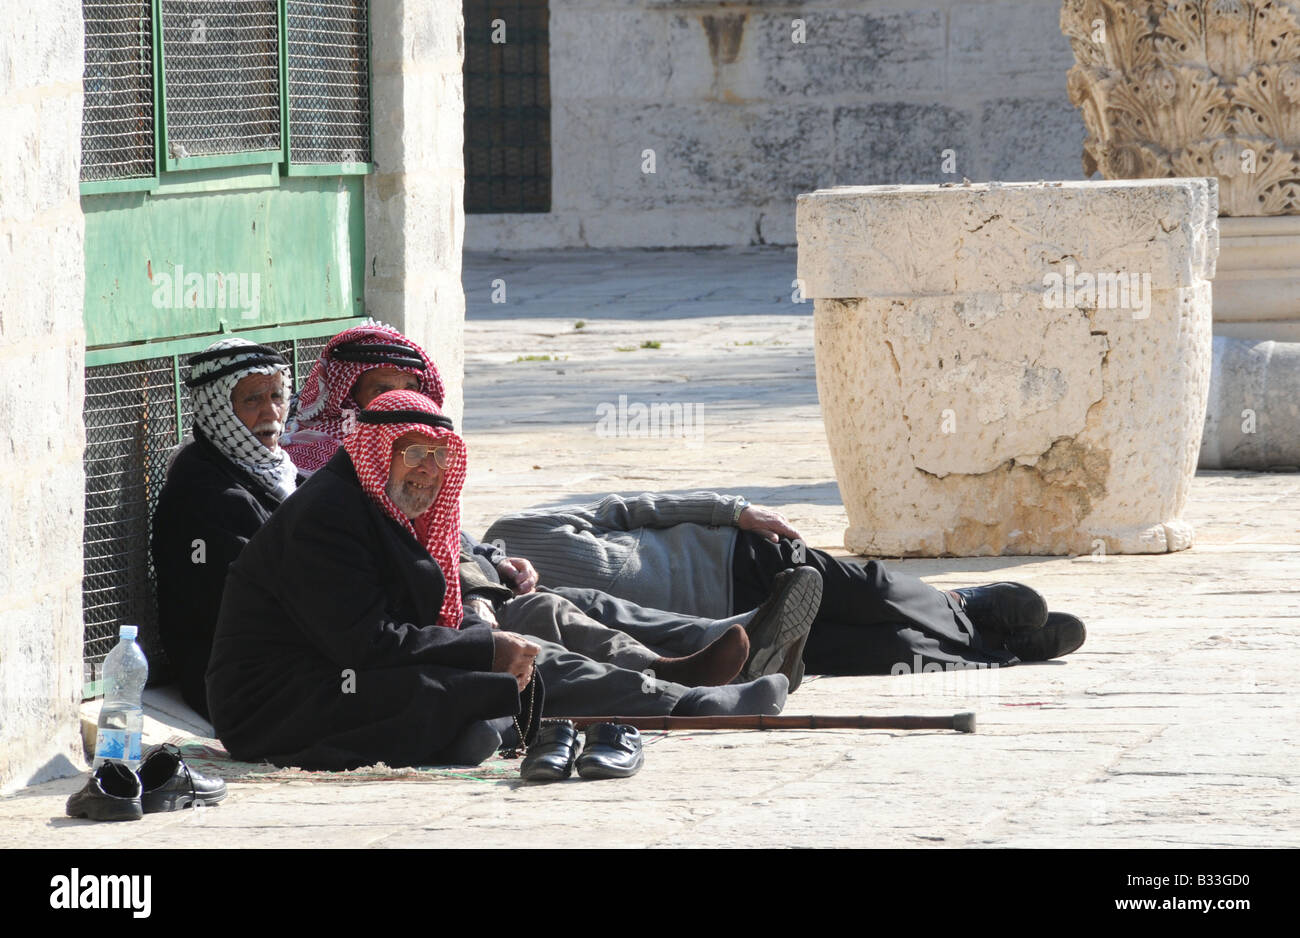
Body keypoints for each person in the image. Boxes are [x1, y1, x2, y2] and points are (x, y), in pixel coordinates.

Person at [207, 391, 788, 771]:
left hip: (344, 668)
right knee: (481, 682)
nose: (429, 472)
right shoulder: (326, 517)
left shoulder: (377, 504)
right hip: (278, 702)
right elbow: (366, 643)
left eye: (440, 458)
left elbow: (416, 612)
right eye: (413, 453)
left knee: (523, 656)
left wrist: (483, 635)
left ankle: (680, 697)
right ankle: (680, 700)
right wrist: (484, 646)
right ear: (376, 452)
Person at [283, 321, 820, 685]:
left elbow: (442, 531)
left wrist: (494, 559)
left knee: (581, 600)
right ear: (345, 395)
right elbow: (393, 559)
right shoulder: (315, 467)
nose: (401, 401)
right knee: (547, 618)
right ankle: (668, 680)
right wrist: (473, 597)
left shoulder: (405, 448)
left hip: (464, 588)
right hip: (422, 620)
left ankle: (731, 642)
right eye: (382, 389)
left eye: (410, 387)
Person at [483, 492, 1088, 676]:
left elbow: (631, 508)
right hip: (730, 628)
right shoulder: (503, 612)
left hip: (738, 559)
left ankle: (960, 607)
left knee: (871, 593)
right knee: (883, 651)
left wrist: (733, 511)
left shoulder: (515, 527)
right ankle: (999, 654)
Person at [150, 338, 306, 718]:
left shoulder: (272, 472)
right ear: (219, 410)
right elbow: (256, 607)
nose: (270, 413)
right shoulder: (207, 492)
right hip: (241, 683)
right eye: (252, 400)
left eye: (276, 395)